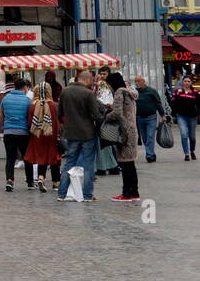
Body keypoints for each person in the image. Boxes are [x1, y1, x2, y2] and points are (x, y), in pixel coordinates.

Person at [57, 70, 103, 201]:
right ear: (87, 80)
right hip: (87, 133)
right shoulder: (88, 94)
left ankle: (61, 194)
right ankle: (87, 195)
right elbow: (96, 115)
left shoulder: (65, 91)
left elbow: (59, 113)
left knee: (69, 163)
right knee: (88, 165)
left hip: (71, 133)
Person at [106, 72, 140, 203]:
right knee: (130, 163)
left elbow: (117, 112)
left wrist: (107, 116)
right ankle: (134, 192)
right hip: (132, 129)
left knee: (125, 164)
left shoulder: (119, 92)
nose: (109, 87)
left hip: (123, 130)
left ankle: (126, 193)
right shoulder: (130, 92)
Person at [0, 77, 35, 191]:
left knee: (10, 158)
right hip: (23, 132)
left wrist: (4, 127)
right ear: (24, 87)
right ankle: (30, 182)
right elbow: (29, 116)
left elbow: (1, 116)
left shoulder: (5, 99)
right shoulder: (27, 100)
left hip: (9, 132)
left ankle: (10, 180)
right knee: (27, 157)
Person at [26, 81, 61, 192]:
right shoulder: (55, 105)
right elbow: (61, 120)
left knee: (42, 157)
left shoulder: (32, 106)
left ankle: (41, 177)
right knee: (54, 158)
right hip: (52, 134)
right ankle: (55, 183)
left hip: (38, 136)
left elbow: (29, 122)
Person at [133, 75, 165, 164]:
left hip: (151, 117)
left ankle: (149, 155)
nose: (137, 83)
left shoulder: (151, 91)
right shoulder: (135, 93)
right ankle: (152, 154)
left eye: (138, 81)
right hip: (139, 118)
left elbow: (158, 103)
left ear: (144, 81)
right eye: (135, 81)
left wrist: (162, 115)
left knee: (150, 136)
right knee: (145, 138)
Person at [169, 75, 199, 162]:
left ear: (191, 83)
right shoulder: (178, 91)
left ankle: (192, 151)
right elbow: (172, 101)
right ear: (183, 82)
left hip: (193, 117)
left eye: (188, 81)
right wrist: (178, 95)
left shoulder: (195, 92)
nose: (186, 83)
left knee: (192, 136)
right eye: (185, 81)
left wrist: (198, 114)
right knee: (184, 134)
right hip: (181, 116)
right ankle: (186, 154)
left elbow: (199, 104)